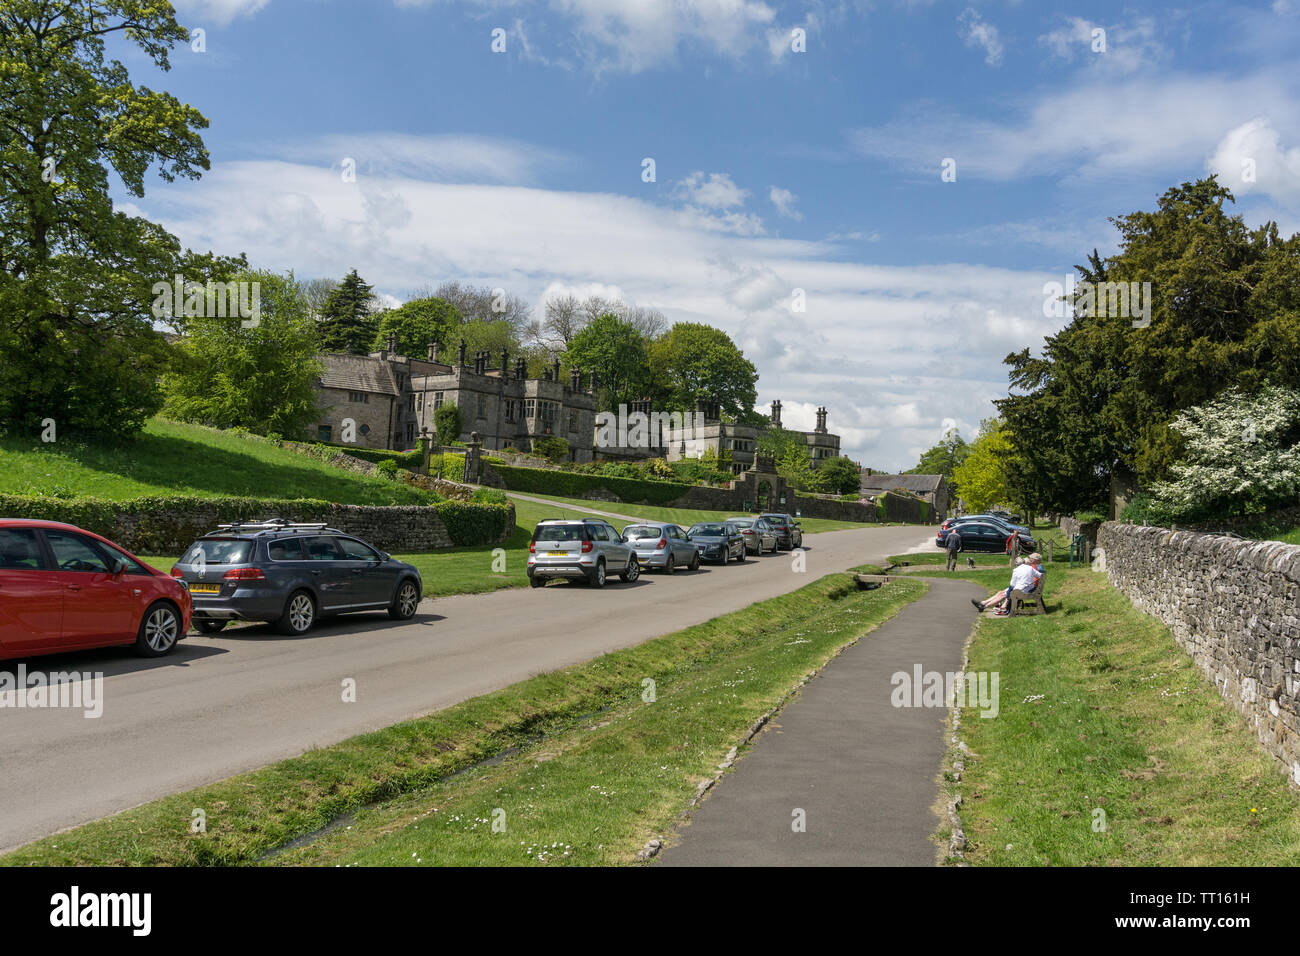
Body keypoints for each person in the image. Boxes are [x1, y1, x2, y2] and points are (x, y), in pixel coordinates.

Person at [972, 556, 1041, 615]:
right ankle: (983, 603)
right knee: (1000, 592)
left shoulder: (1016, 570)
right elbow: (1040, 575)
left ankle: (984, 606)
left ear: (1016, 564)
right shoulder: (1030, 568)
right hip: (1026, 588)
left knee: (1003, 594)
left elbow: (1012, 584)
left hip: (1021, 591)